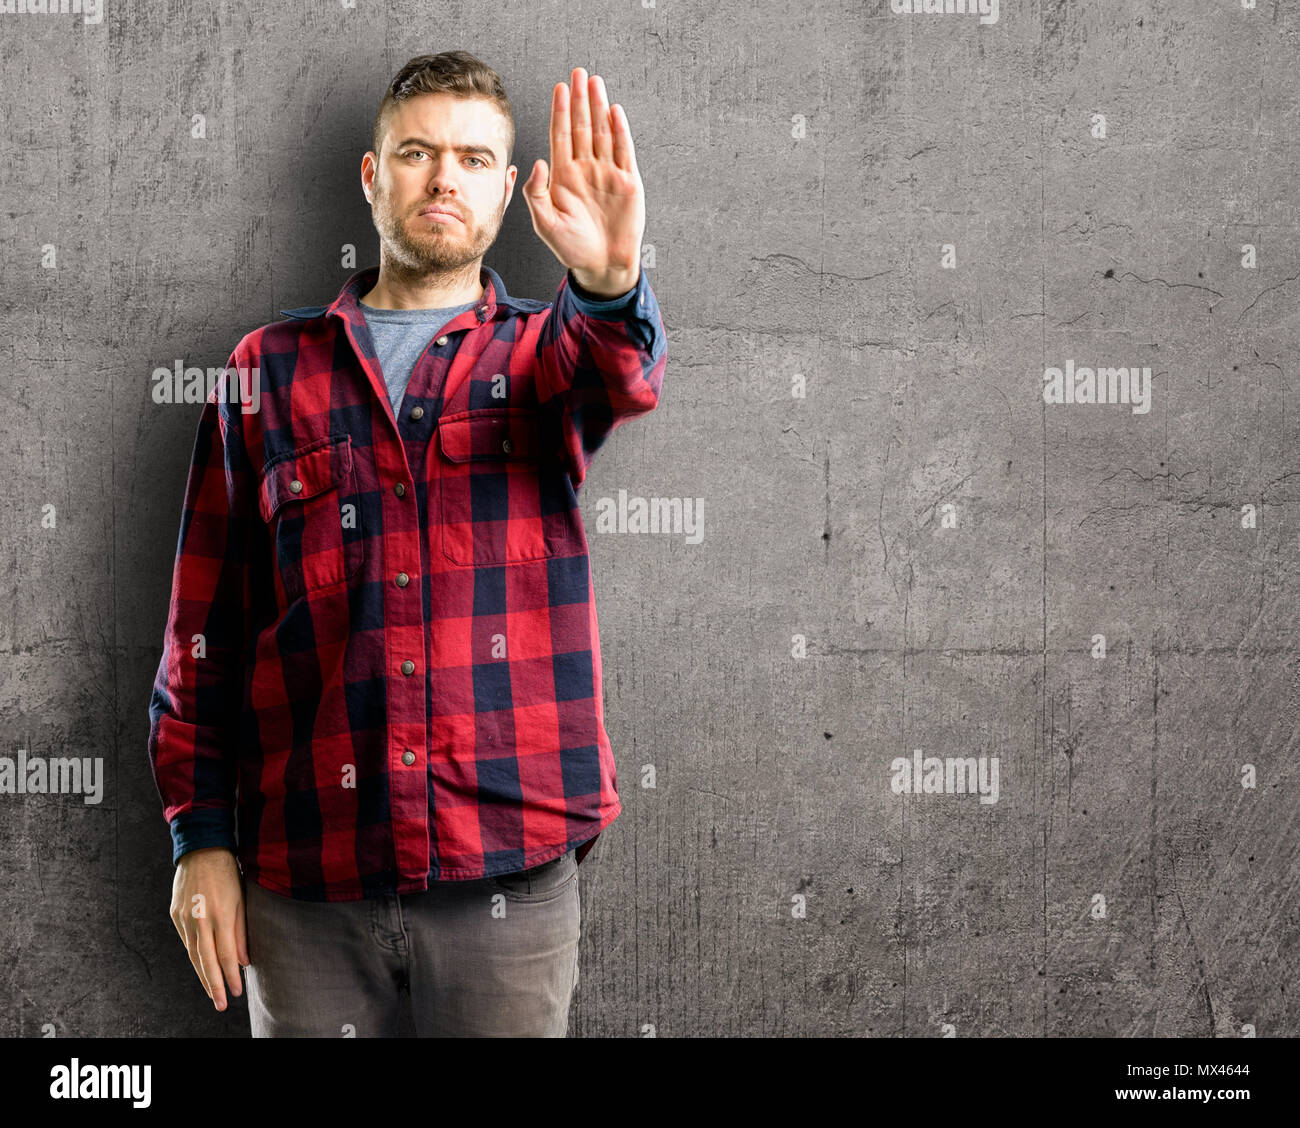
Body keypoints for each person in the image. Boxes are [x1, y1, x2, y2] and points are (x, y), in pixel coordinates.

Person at [146, 50, 666, 1037]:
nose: (443, 177)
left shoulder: (541, 355)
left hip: (506, 875)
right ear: (372, 176)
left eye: (473, 159)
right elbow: (200, 634)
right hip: (306, 884)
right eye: (417, 152)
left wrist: (607, 284)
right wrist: (197, 836)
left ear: (507, 190)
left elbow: (618, 371)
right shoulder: (268, 370)